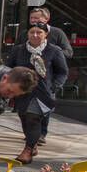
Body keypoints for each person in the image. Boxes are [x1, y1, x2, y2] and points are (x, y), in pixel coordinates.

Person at [6, 21, 68, 163]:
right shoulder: (19, 50)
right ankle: (32, 144)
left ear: (46, 34)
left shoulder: (54, 51)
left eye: (39, 32)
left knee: (33, 118)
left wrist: (54, 86)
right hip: (22, 92)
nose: (35, 35)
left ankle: (27, 151)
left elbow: (62, 72)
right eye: (32, 32)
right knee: (24, 119)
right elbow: (9, 67)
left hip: (42, 93)